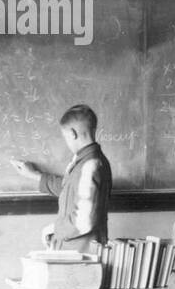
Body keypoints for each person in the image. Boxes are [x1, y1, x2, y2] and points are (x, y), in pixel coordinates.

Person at [12, 104, 112, 252]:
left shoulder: (89, 166)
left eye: (65, 137)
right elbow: (70, 189)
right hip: (77, 252)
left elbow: (83, 221)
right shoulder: (87, 162)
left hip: (80, 255)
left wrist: (54, 229)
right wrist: (34, 175)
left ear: (72, 133)